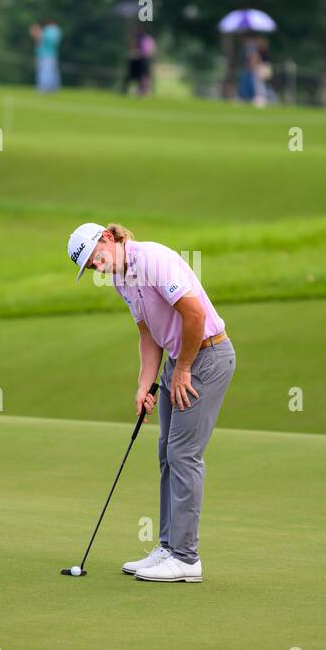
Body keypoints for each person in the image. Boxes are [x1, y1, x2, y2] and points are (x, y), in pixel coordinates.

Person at [66, 222, 236, 583]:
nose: (97, 267)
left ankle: (186, 558)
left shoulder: (154, 259)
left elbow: (195, 315)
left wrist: (184, 369)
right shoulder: (120, 279)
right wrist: (144, 386)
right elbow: (149, 335)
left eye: (95, 258)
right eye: (90, 268)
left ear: (109, 239)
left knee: (183, 454)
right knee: (166, 453)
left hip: (207, 355)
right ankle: (168, 548)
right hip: (180, 360)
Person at [31, 19, 62, 93]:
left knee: (45, 72)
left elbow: (40, 40)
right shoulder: (56, 31)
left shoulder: (49, 31)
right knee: (51, 72)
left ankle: (44, 88)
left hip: (45, 54)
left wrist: (36, 32)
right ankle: (52, 88)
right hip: (51, 54)